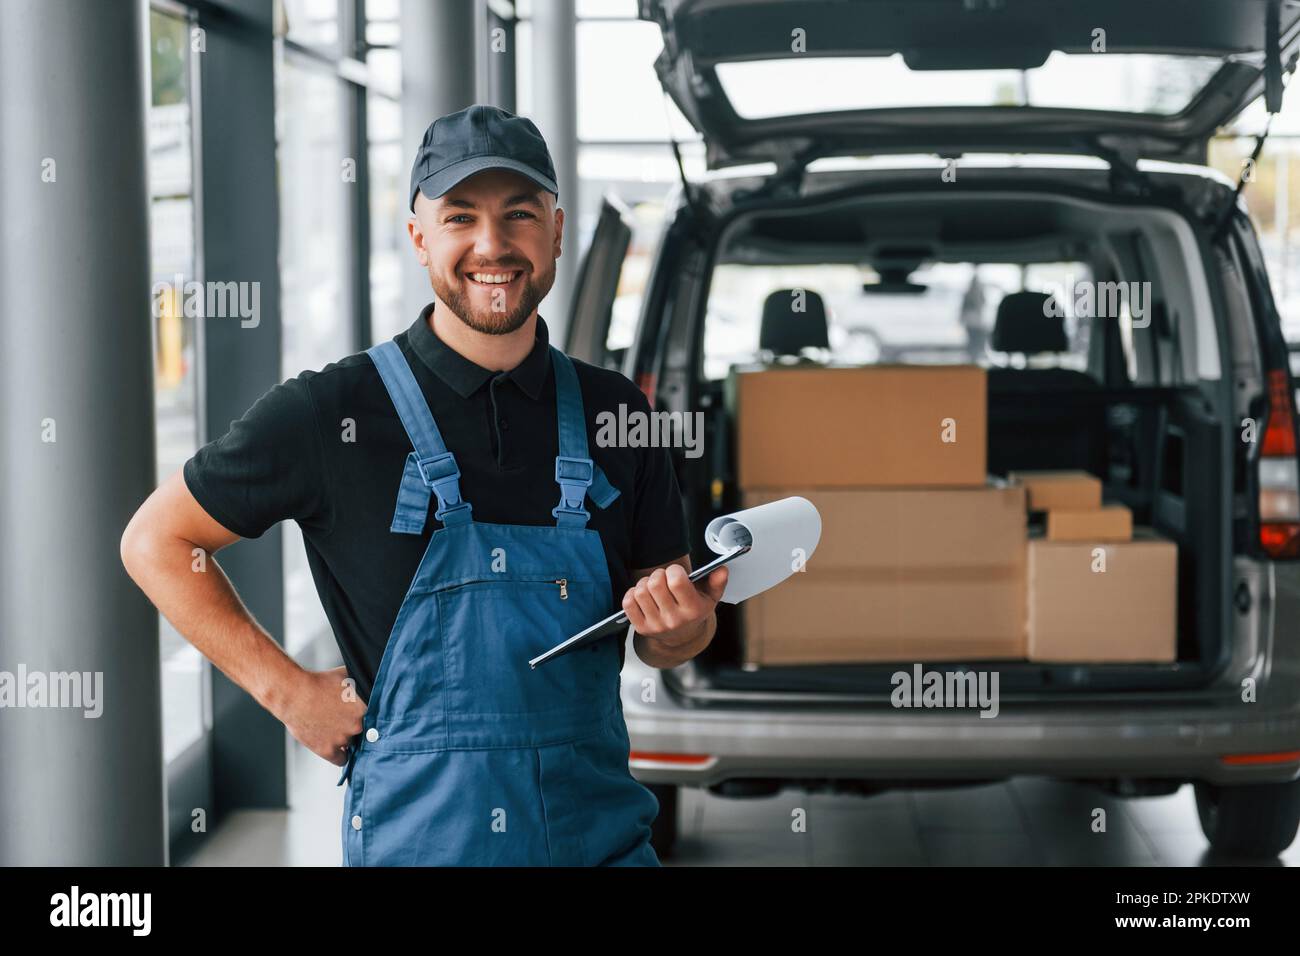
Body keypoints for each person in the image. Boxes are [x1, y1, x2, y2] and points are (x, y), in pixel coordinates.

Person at [120, 104, 727, 866]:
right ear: (419, 237)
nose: (492, 245)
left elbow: (670, 632)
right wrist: (287, 692)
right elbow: (156, 540)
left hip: (598, 841)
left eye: (519, 214)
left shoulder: (618, 412)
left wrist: (681, 629)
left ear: (558, 232)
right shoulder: (331, 411)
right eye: (460, 216)